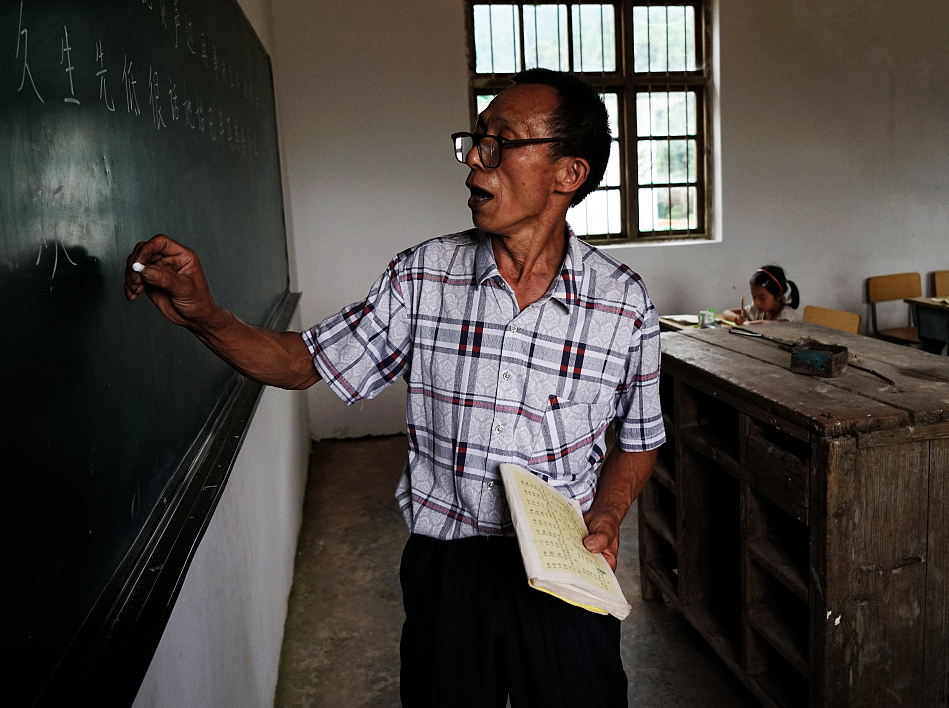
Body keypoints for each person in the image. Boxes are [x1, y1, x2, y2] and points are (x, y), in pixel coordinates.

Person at [124, 68, 664, 707]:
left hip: (564, 569)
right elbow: (302, 362)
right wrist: (206, 315)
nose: (473, 165)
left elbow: (640, 437)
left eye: (499, 144)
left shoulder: (623, 303)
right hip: (449, 567)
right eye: (474, 141)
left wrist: (607, 515)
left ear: (567, 174)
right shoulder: (424, 276)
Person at [720, 265, 799, 324]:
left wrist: (764, 324)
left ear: (778, 295)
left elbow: (784, 326)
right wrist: (736, 317)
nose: (756, 302)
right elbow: (727, 312)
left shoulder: (787, 314)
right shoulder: (756, 308)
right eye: (754, 297)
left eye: (762, 298)